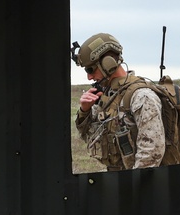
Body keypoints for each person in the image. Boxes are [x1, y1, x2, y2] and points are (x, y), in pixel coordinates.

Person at [71, 33, 166, 171]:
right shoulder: (108, 96)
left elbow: (151, 152)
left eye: (90, 69)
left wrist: (135, 187)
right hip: (119, 179)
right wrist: (84, 111)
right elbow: (88, 136)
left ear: (107, 64)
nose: (89, 77)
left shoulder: (141, 97)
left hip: (138, 183)